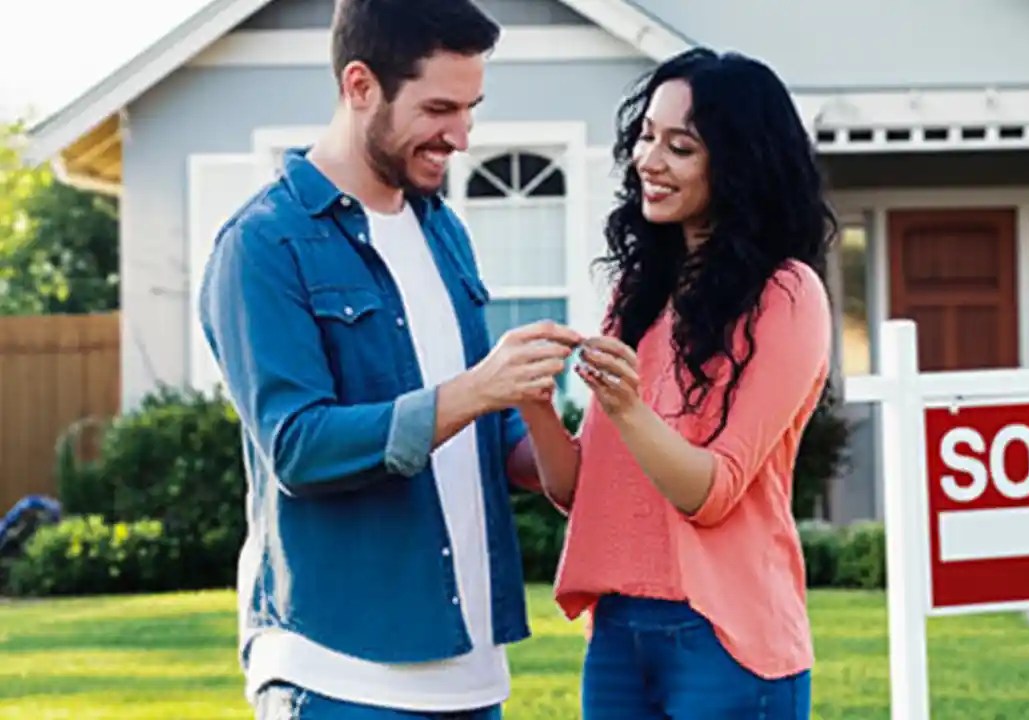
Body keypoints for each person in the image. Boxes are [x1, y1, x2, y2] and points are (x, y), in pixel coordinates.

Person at [197, 1, 580, 718]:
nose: (461, 137)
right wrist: (475, 390)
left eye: (471, 109)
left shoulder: (444, 233)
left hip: (472, 673)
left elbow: (495, 445)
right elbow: (298, 447)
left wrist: (537, 407)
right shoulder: (263, 245)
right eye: (439, 108)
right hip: (339, 674)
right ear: (360, 86)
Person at [516, 48, 836, 719]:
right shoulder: (639, 294)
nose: (648, 160)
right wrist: (534, 402)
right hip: (619, 636)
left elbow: (712, 492)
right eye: (646, 137)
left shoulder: (786, 295)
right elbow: (582, 490)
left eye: (680, 147)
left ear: (740, 162)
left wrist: (629, 408)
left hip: (727, 639)